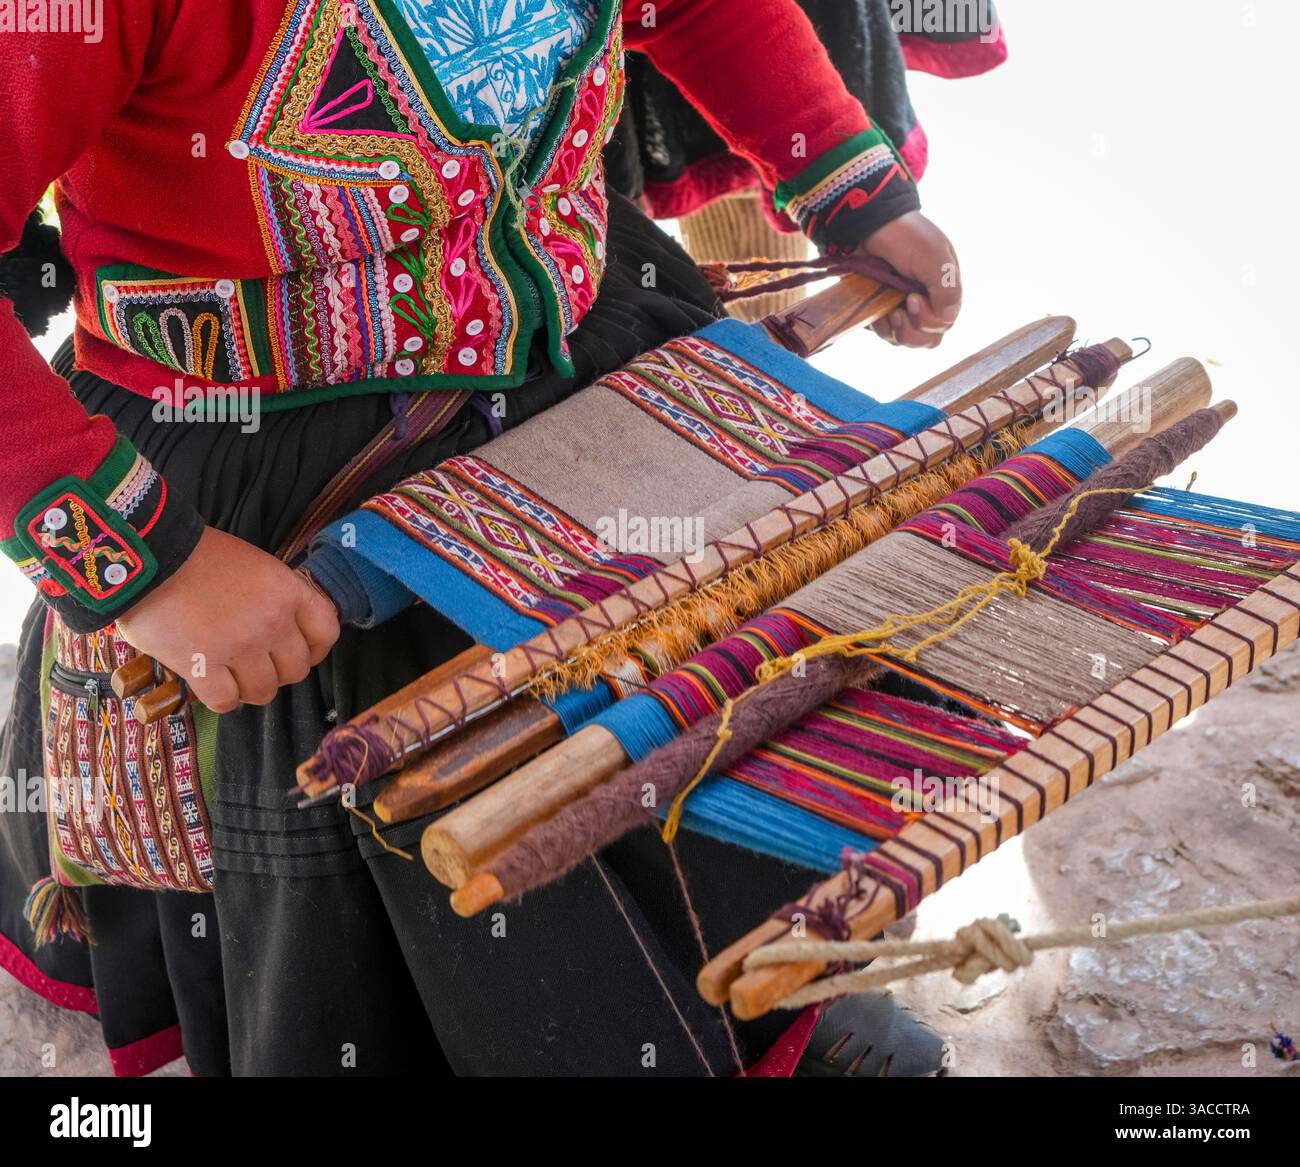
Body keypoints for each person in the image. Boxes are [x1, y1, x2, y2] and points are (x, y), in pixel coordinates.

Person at [0, 0, 961, 1075]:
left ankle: (762, 1003)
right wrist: (147, 566)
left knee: (734, 647)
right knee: (450, 797)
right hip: (270, 462)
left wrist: (848, 184)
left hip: (582, 343)